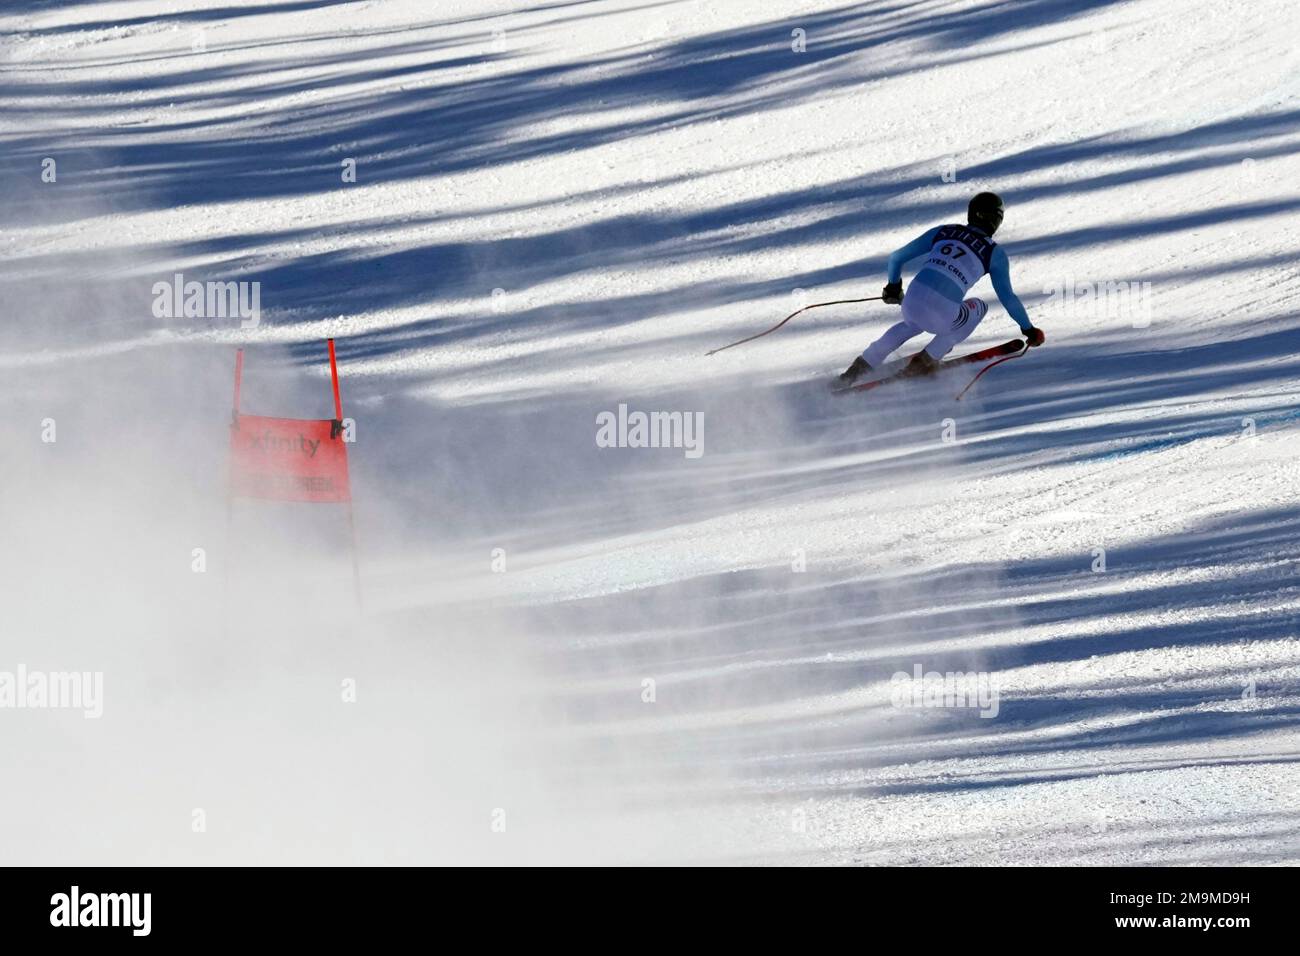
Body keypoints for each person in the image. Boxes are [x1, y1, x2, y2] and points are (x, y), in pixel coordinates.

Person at [839, 192, 1044, 385]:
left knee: (910, 323)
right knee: (979, 307)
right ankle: (926, 361)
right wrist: (1028, 329)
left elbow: (896, 258)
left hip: (911, 302)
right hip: (943, 313)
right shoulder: (994, 253)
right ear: (997, 220)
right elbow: (1007, 297)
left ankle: (859, 368)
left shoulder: (944, 231)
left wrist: (893, 286)